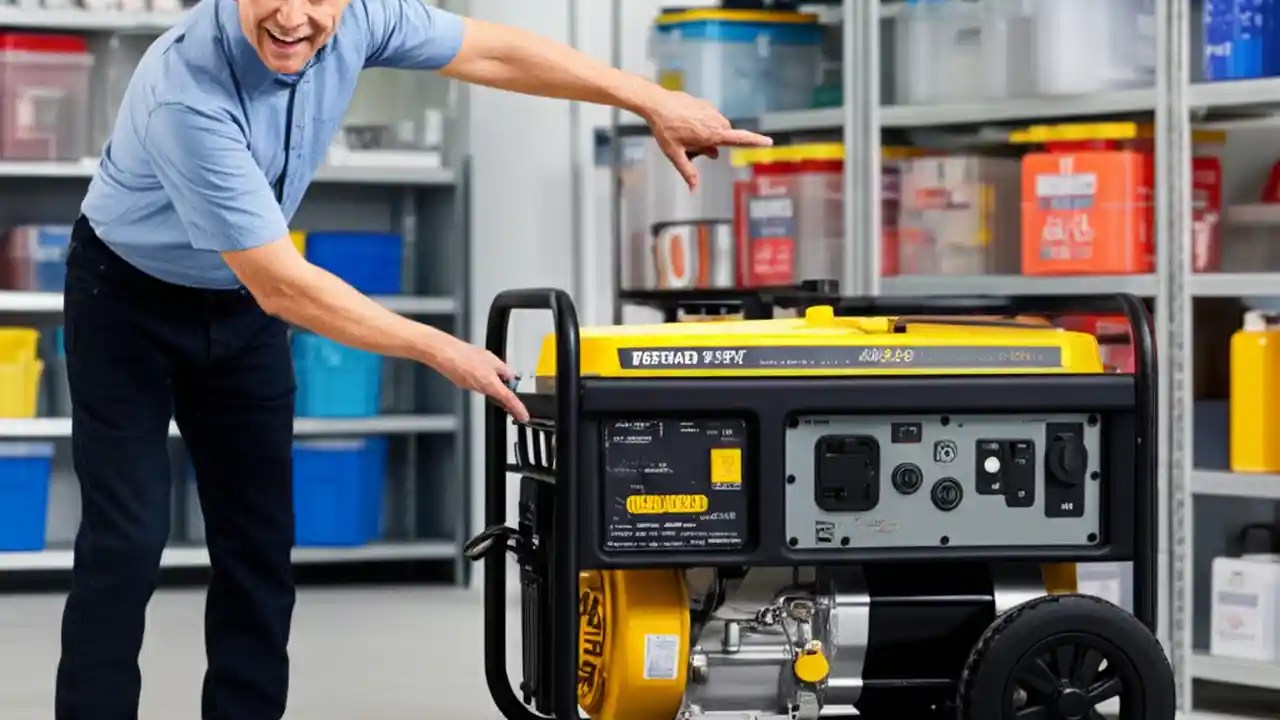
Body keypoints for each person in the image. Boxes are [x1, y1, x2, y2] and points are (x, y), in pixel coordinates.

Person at [52, 0, 770, 717]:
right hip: (127, 298)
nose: (294, 17)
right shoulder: (187, 91)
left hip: (240, 304)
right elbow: (282, 285)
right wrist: (442, 349)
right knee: (127, 540)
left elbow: (490, 52)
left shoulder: (359, 18)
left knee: (259, 546)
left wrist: (650, 99)